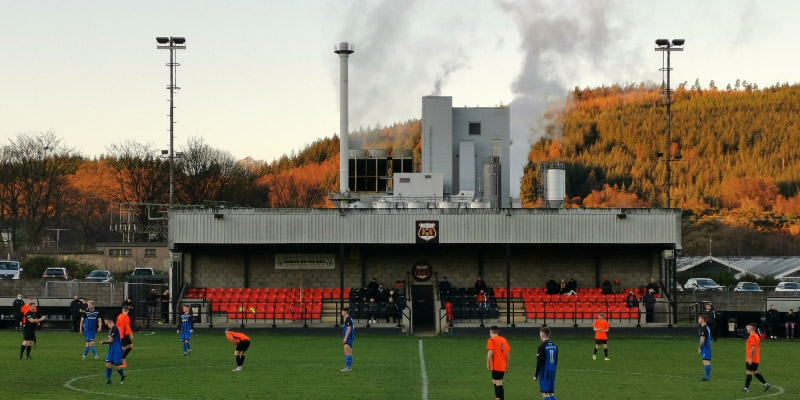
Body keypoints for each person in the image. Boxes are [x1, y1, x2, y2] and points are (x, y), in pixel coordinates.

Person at [742, 323, 770, 392]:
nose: (747, 329)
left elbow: (753, 347)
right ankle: (766, 384)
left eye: (748, 328)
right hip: (756, 358)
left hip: (752, 358)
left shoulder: (752, 337)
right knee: (755, 372)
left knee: (749, 372)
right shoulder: (756, 336)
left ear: (751, 329)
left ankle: (746, 388)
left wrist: (750, 358)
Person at [486, 325, 511, 400]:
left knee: (498, 382)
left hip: (497, 365)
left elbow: (490, 352)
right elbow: (508, 353)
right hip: (502, 365)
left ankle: (501, 398)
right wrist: (506, 363)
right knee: (494, 381)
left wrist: (488, 363)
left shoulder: (491, 340)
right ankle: (497, 398)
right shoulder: (504, 340)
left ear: (491, 332)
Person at [534, 327, 558, 400]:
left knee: (545, 393)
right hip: (552, 371)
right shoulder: (555, 346)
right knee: (551, 393)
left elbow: (539, 362)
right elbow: (556, 360)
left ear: (542, 335)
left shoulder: (541, 347)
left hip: (544, 372)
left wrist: (536, 375)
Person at [101, 317, 126, 385]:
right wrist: (105, 340)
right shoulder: (111, 329)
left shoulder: (114, 328)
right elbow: (110, 338)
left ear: (107, 320)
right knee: (108, 364)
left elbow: (111, 340)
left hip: (117, 349)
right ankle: (109, 381)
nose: (104, 321)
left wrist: (104, 342)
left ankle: (123, 376)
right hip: (111, 349)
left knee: (117, 367)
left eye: (104, 320)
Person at [698, 315, 712, 381]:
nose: (698, 319)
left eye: (699, 318)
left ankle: (706, 377)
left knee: (706, 361)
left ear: (703, 320)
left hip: (705, 347)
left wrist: (700, 349)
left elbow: (702, 340)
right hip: (708, 346)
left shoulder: (703, 328)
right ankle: (707, 377)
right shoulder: (707, 327)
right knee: (707, 361)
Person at [341, 307, 354, 372]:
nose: (341, 313)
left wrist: (345, 338)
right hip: (350, 337)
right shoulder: (349, 319)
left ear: (345, 312)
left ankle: (348, 368)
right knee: (349, 352)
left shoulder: (348, 319)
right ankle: (349, 367)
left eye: (342, 312)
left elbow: (349, 329)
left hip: (348, 338)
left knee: (347, 352)